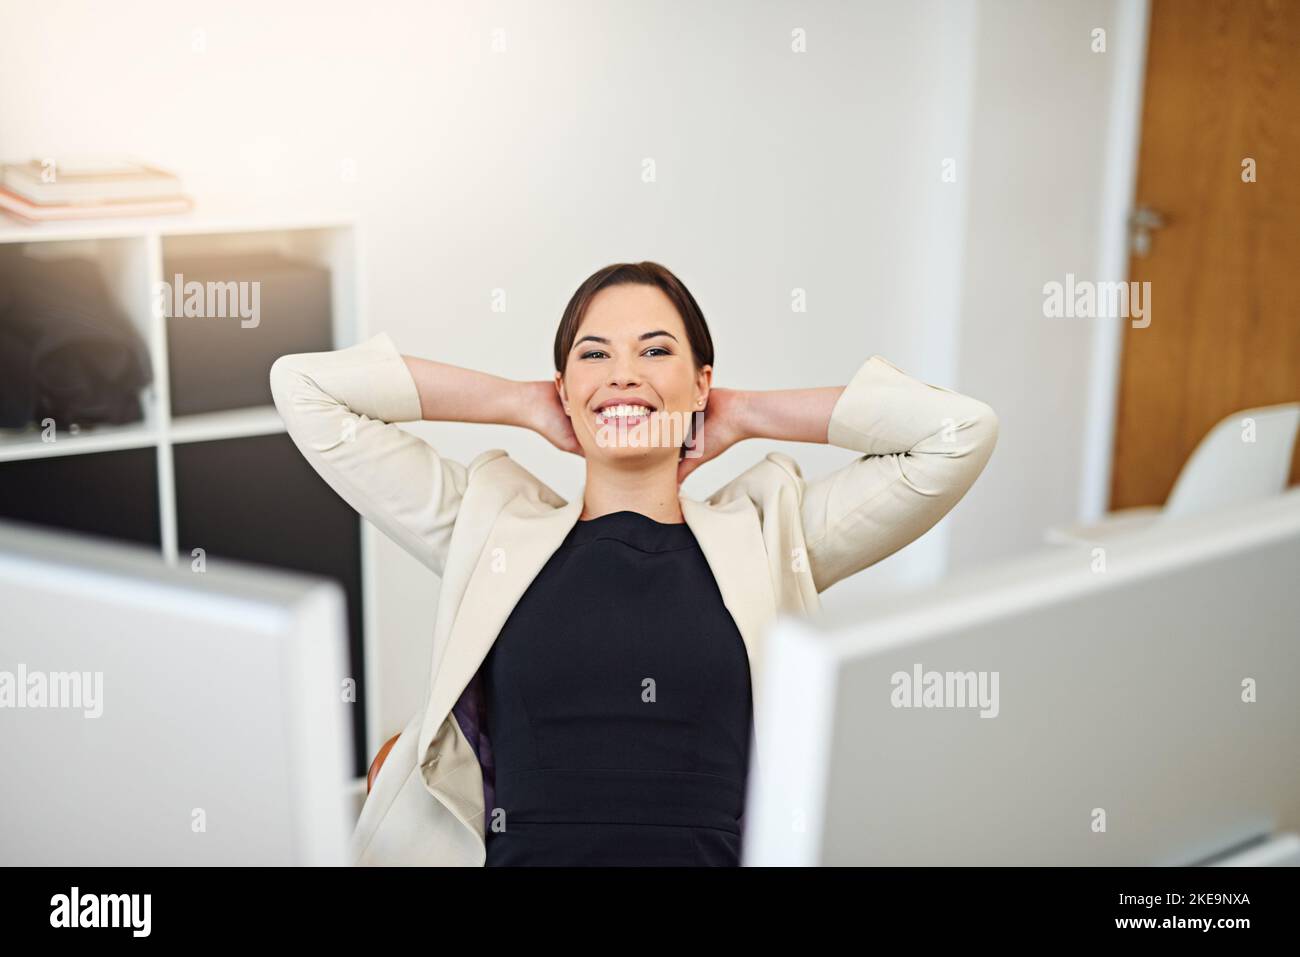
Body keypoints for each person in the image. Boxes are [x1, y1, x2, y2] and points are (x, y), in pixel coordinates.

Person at [269, 261, 999, 866]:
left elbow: (959, 434)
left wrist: (744, 414)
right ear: (563, 385)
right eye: (594, 354)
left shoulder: (772, 533)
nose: (623, 374)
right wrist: (521, 403)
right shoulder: (490, 527)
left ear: (702, 382)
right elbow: (305, 389)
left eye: (654, 351)